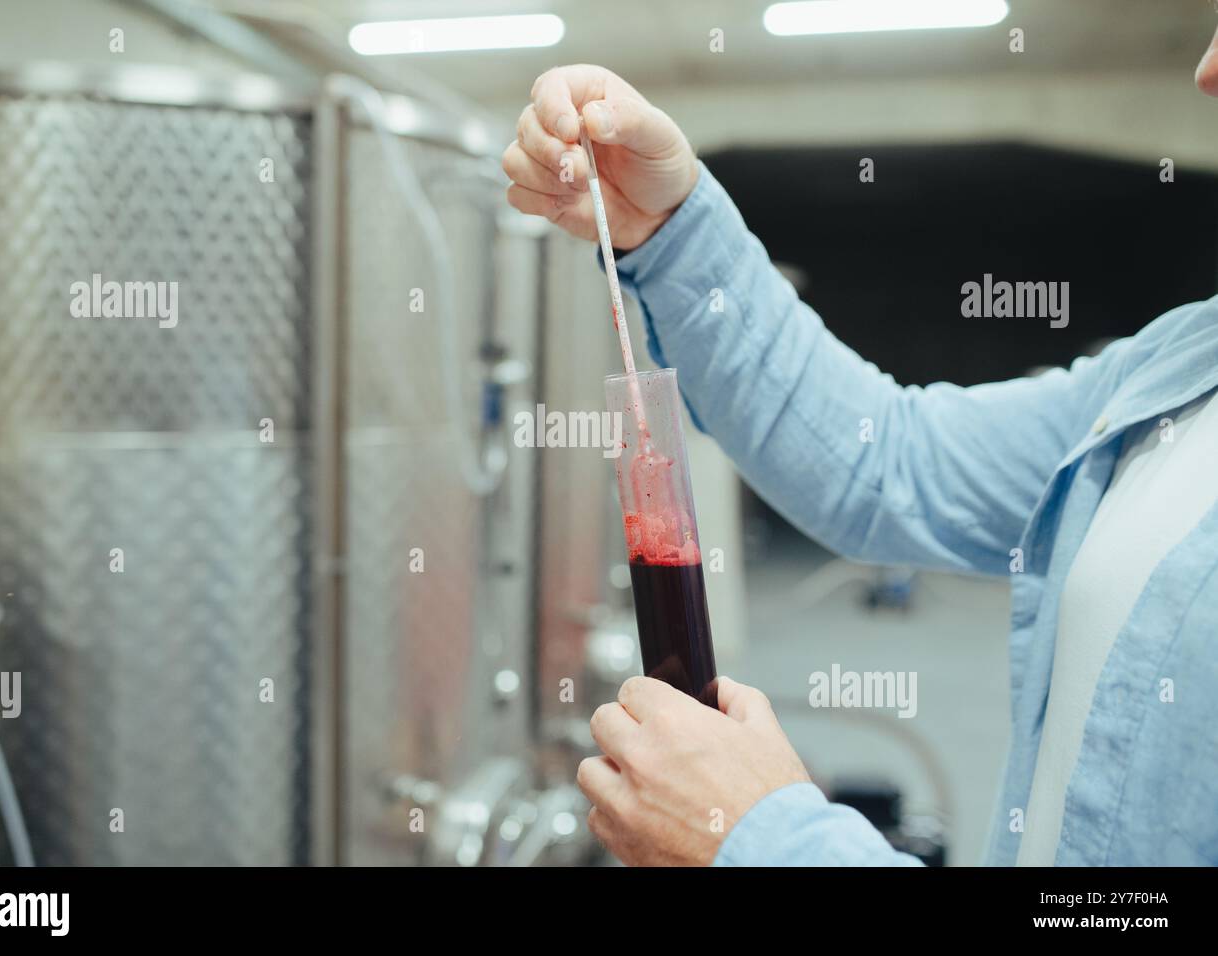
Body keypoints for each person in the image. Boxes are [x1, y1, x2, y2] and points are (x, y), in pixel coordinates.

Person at [502, 25, 1218, 866]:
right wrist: (666, 229)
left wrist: (762, 841)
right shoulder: (1185, 364)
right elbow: (890, 464)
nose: (1207, 67)